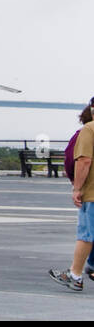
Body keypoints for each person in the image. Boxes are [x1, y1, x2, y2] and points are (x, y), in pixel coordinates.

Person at [49, 99, 94, 291]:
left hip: (92, 193)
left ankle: (75, 275)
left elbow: (84, 160)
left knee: (86, 235)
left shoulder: (90, 129)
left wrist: (77, 188)